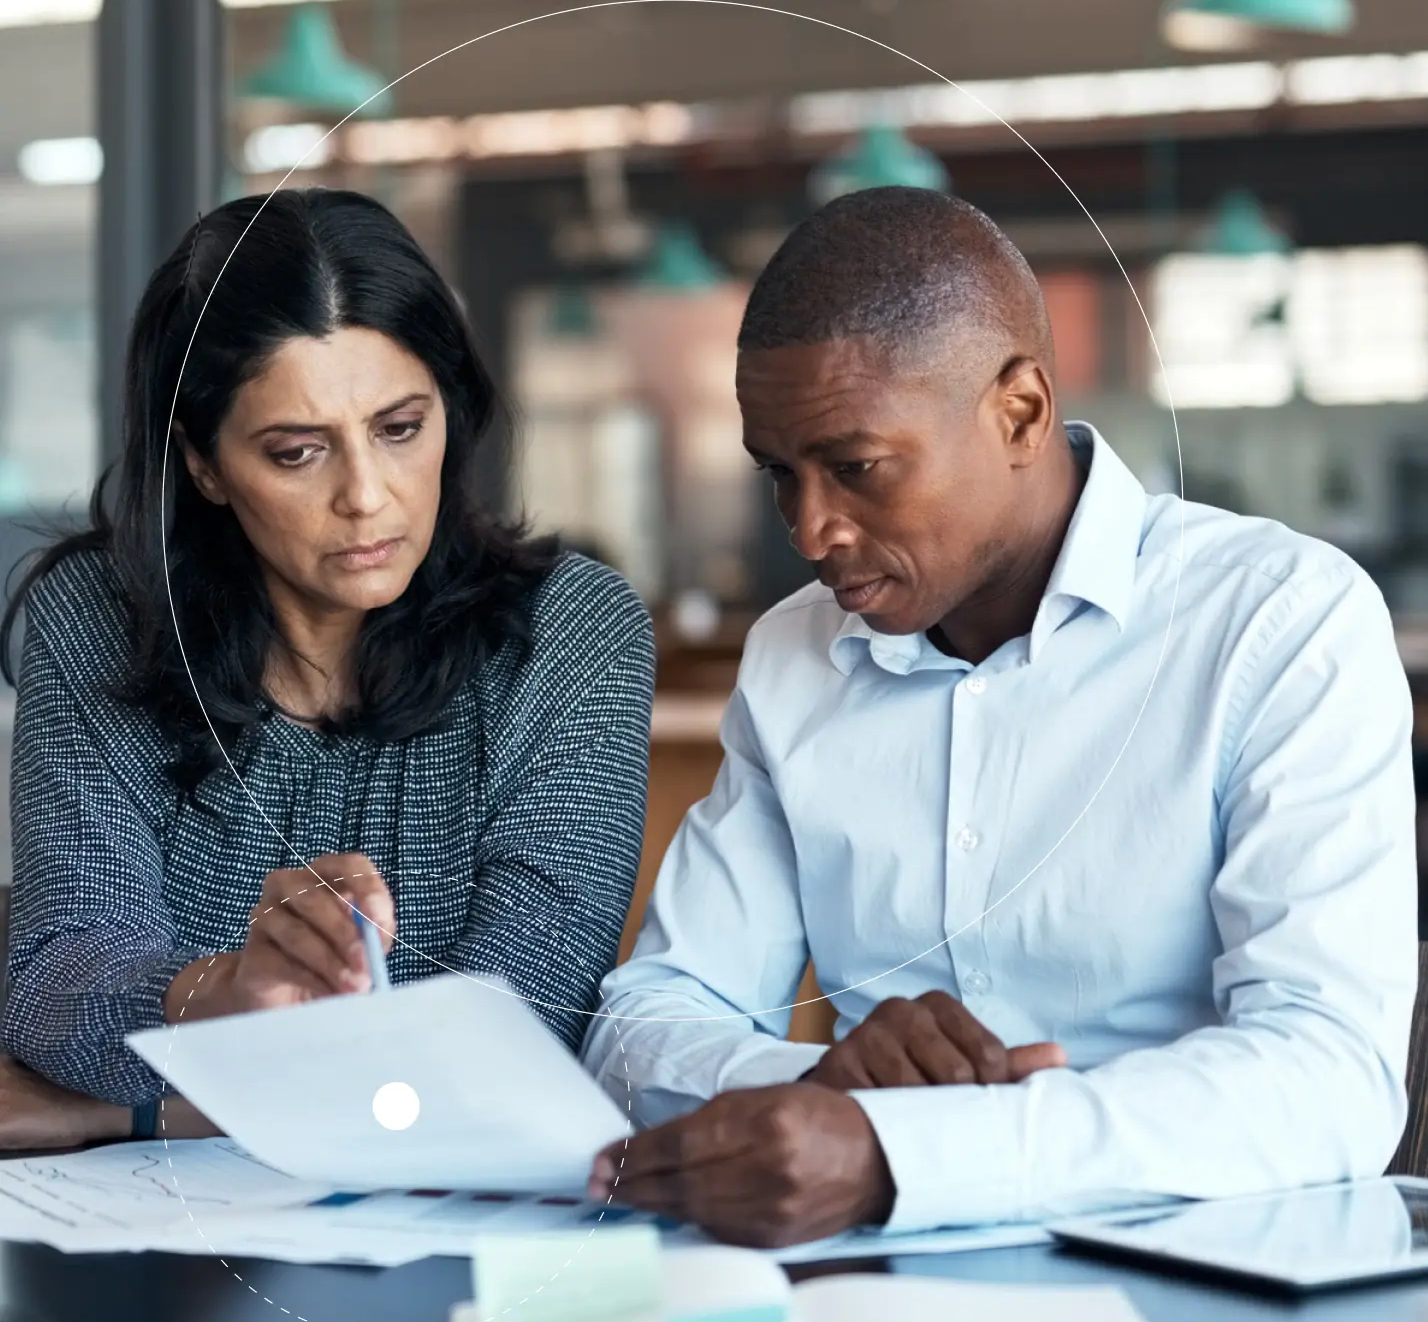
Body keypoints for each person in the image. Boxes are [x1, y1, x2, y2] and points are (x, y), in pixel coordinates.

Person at [583, 186, 1417, 1249]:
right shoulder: (796, 658)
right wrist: (817, 1087)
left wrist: (906, 1154)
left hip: (1210, 1283)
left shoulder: (1278, 622)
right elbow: (648, 1022)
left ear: (1018, 412)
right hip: (874, 1300)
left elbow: (1329, 1077)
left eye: (855, 468)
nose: (810, 527)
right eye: (778, 475)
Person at [0, 188, 654, 1147]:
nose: (366, 497)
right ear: (205, 464)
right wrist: (228, 988)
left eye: (400, 428)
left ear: (451, 409)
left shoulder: (571, 633)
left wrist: (128, 1110)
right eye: (297, 451)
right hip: (169, 1246)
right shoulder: (99, 620)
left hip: (460, 1243)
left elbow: (512, 1042)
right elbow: (57, 980)